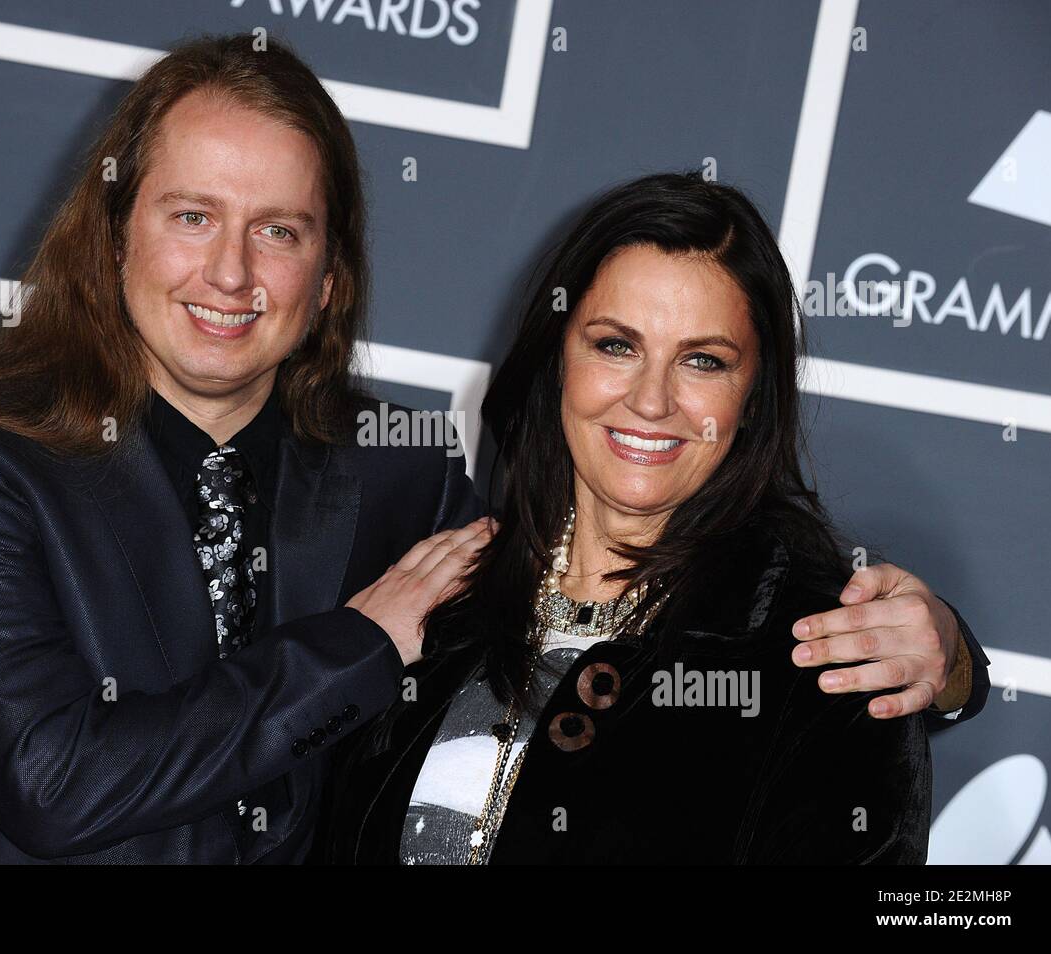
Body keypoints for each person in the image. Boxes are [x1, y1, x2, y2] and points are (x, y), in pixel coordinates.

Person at [0, 35, 982, 865]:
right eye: (193, 216)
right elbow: (56, 781)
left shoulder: (403, 490)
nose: (232, 273)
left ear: (331, 276)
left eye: (280, 231)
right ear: (114, 238)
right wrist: (354, 646)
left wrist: (947, 657)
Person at [317, 173, 989, 865]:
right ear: (557, 360)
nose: (651, 400)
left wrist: (958, 660)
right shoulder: (438, 590)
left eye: (703, 361)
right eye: (616, 345)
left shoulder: (824, 654)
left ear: (752, 398)